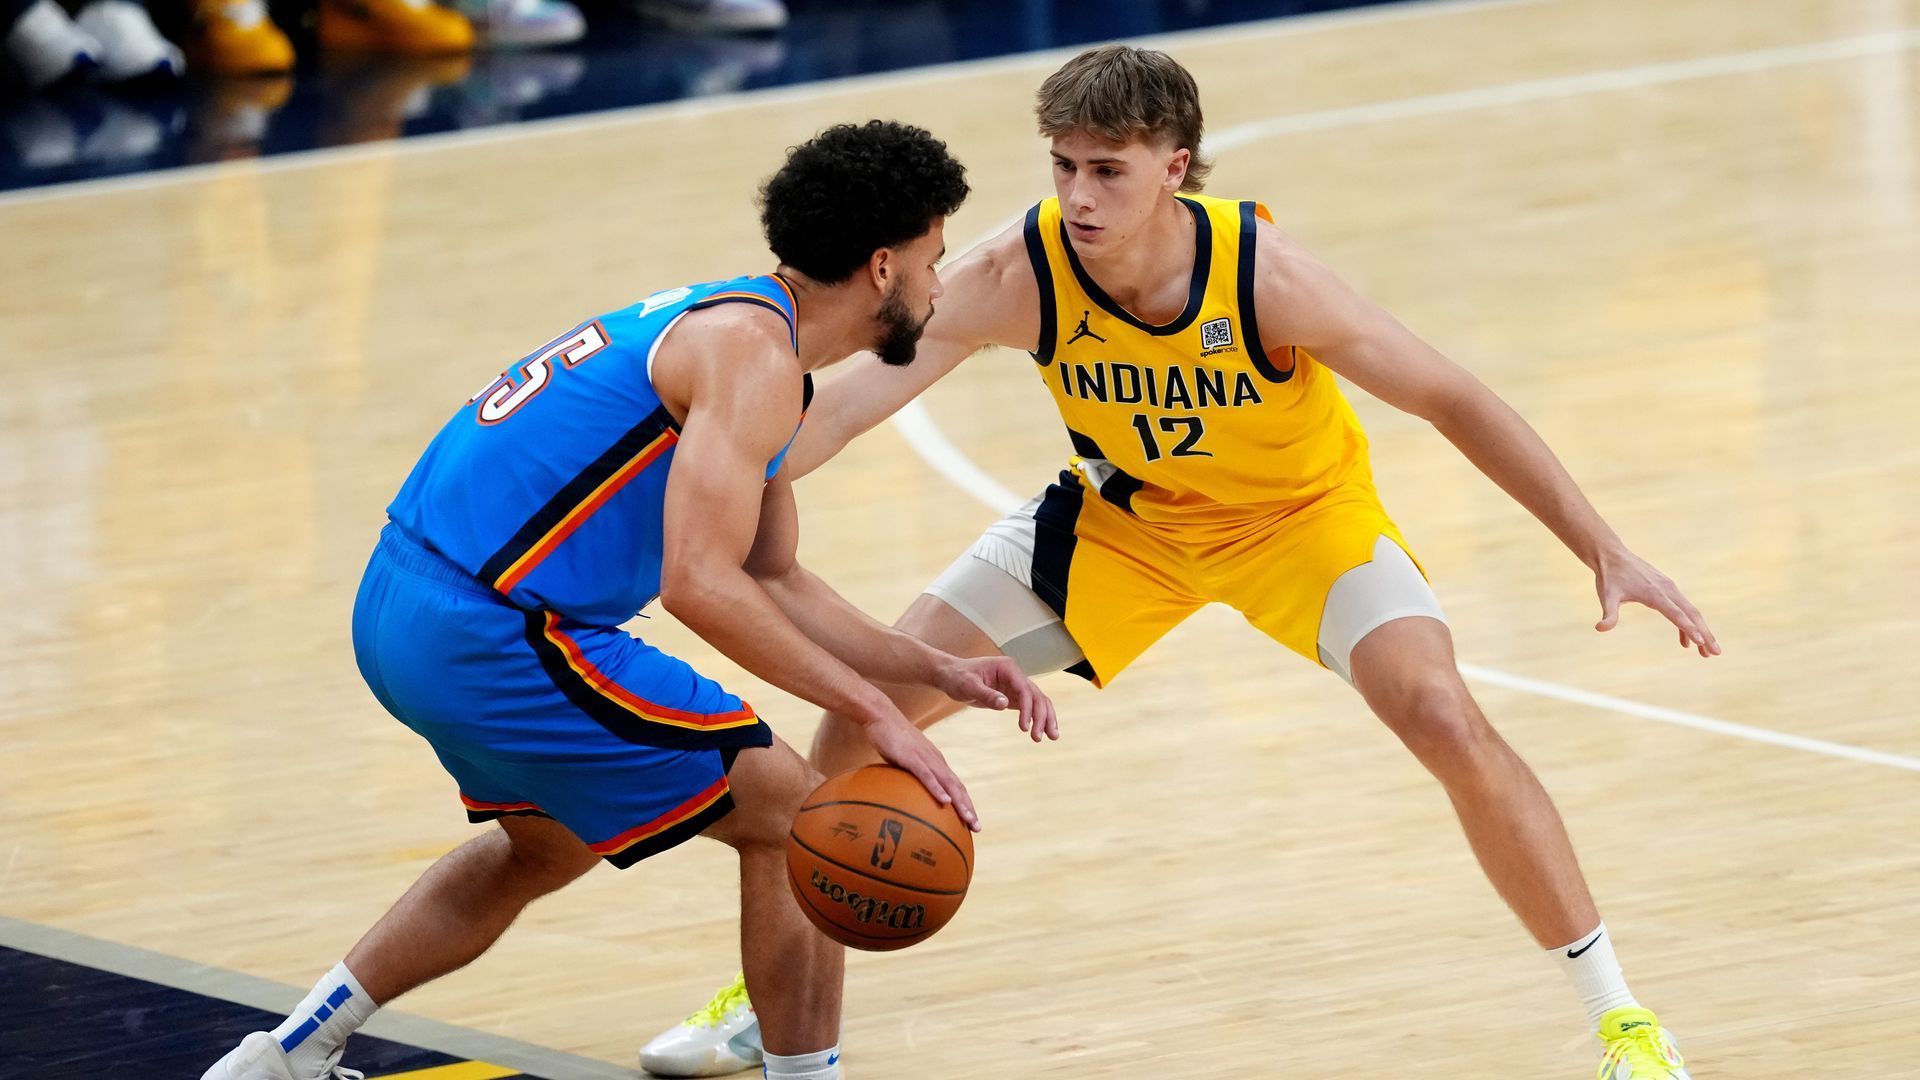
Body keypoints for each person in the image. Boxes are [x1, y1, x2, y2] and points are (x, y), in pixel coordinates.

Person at [641, 45, 1715, 1080]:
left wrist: (1603, 548)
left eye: (1107, 170)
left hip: (1299, 518)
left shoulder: (1265, 275)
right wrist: (709, 485)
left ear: (1175, 168)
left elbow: (1453, 397)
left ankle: (1620, 1016)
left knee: (1439, 713)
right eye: (1062, 166)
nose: (1080, 195)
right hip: (1125, 525)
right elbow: (831, 416)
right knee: (870, 703)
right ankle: (773, 1001)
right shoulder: (1019, 272)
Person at [200, 118, 1056, 1080]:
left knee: (544, 847)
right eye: (936, 260)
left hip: (407, 607)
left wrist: (927, 671)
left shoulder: (751, 339)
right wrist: (866, 713)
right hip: (498, 629)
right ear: (884, 266)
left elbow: (775, 576)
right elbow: (699, 585)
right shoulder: (752, 358)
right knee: (797, 817)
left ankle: (281, 1057)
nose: (942, 287)